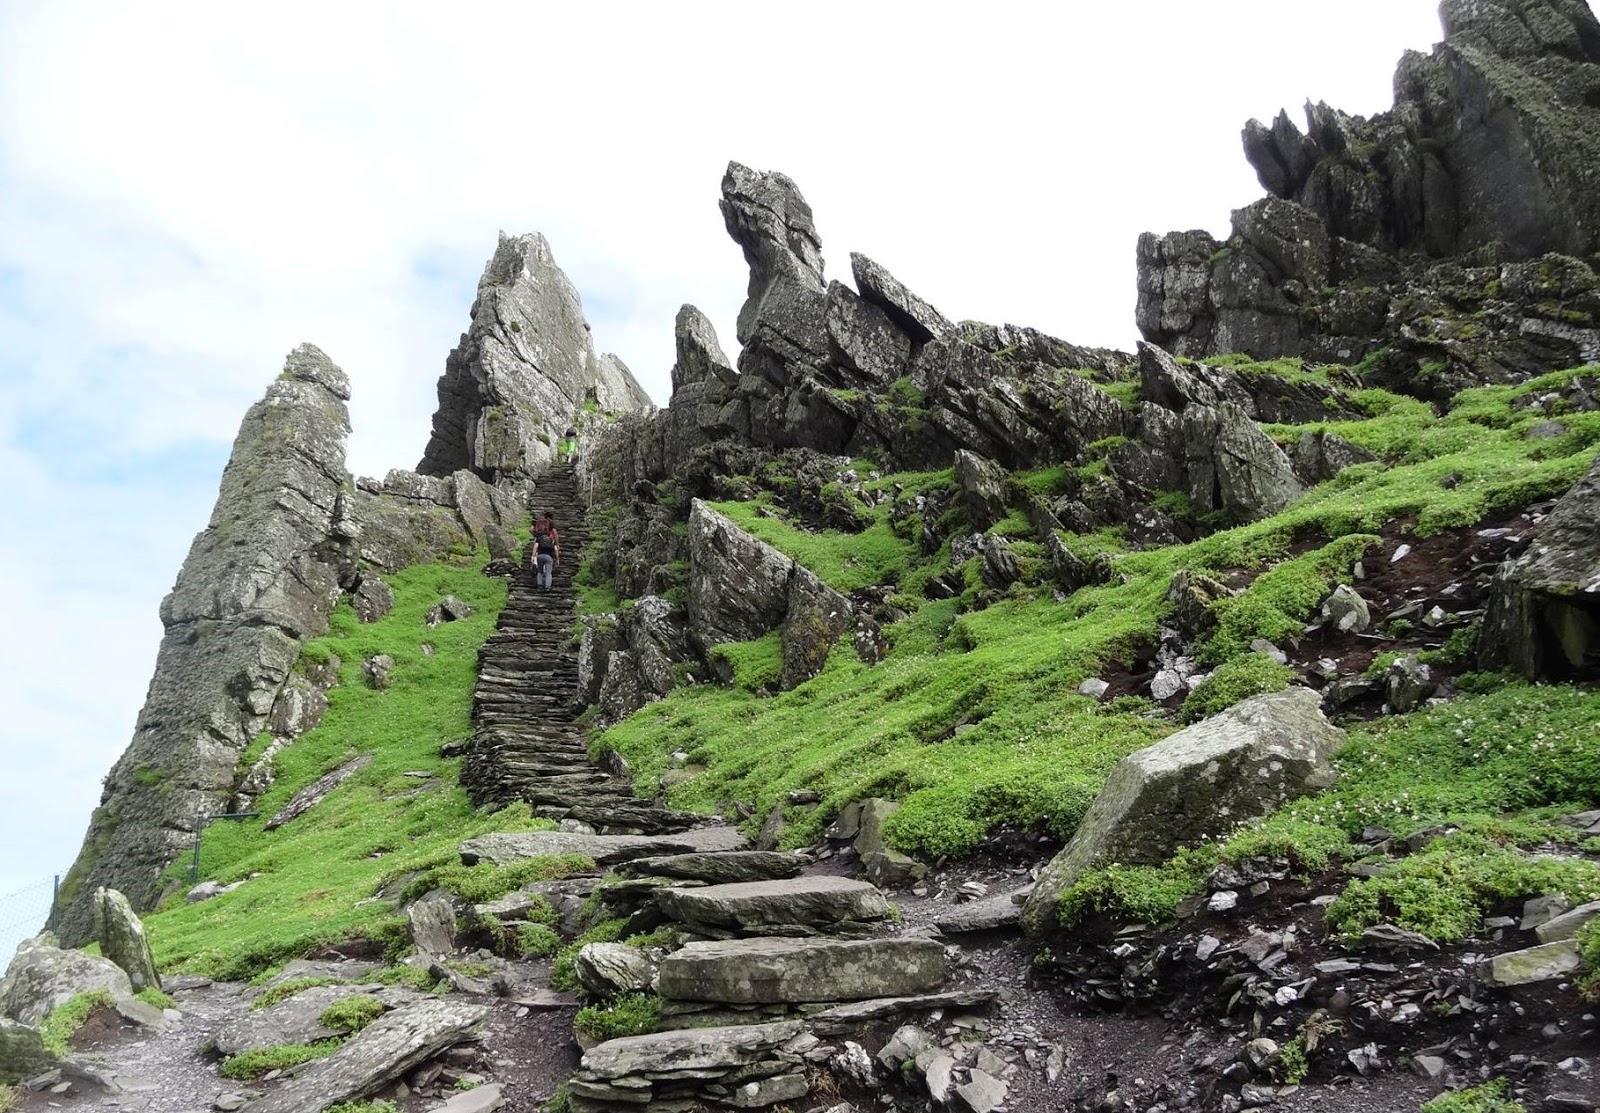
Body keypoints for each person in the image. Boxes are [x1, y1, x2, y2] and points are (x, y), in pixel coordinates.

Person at [532, 513, 560, 590]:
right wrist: (557, 559)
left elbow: (535, 547)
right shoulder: (551, 540)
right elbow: (556, 550)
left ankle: (540, 585)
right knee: (548, 573)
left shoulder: (539, 538)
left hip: (540, 556)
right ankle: (547, 587)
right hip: (549, 557)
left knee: (540, 572)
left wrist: (533, 556)